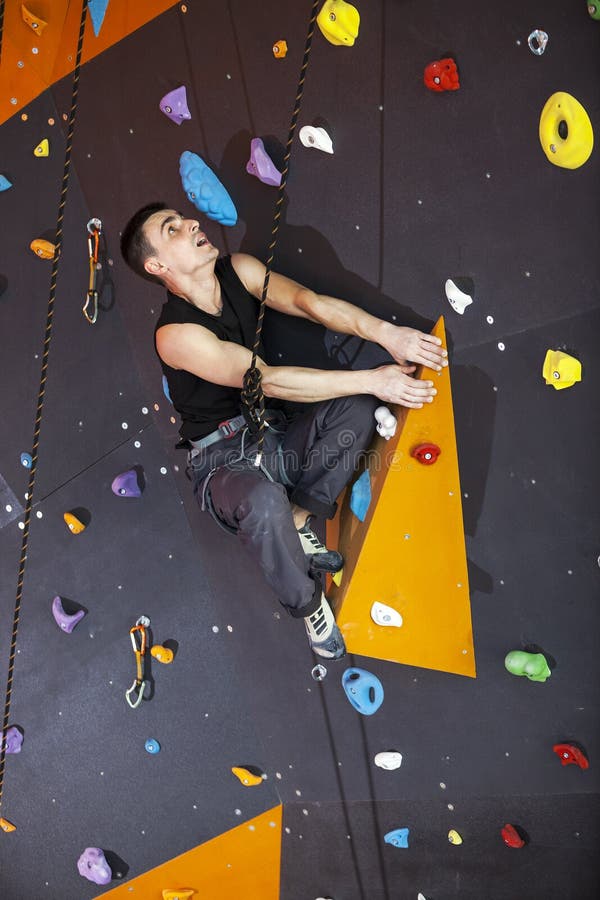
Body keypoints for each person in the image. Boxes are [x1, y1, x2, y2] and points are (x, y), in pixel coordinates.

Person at [120, 203, 447, 659]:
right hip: (223, 466)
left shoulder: (238, 269)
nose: (192, 223)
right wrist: (377, 378)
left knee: (354, 407)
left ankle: (297, 521)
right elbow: (266, 379)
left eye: (185, 217)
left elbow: (306, 303)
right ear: (157, 265)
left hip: (273, 437)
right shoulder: (175, 335)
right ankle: (309, 605)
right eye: (172, 228)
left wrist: (386, 333)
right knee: (261, 499)